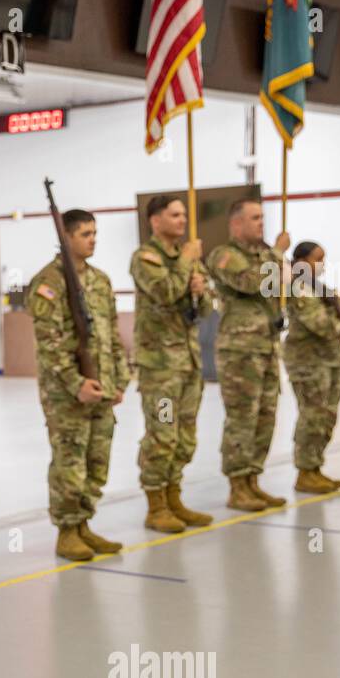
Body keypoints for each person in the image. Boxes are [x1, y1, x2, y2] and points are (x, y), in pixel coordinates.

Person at [27, 209, 131, 561]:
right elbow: (50, 344)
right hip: (66, 394)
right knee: (70, 461)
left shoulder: (100, 280)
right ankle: (67, 531)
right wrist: (76, 384)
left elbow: (112, 336)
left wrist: (119, 380)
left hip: (101, 387)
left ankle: (85, 524)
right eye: (85, 233)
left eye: (94, 233)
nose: (93, 239)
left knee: (97, 461)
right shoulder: (48, 283)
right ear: (66, 237)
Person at [130, 195, 214, 533]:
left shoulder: (189, 259)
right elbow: (164, 292)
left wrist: (200, 290)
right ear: (155, 221)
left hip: (189, 364)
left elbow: (206, 311)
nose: (182, 221)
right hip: (161, 368)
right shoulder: (145, 258)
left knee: (185, 437)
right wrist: (186, 264)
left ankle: (174, 497)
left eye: (184, 215)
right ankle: (156, 506)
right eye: (175, 215)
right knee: (162, 436)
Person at [206, 199, 289, 512]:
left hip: (267, 346)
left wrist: (277, 258)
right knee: (242, 418)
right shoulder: (224, 255)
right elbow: (252, 283)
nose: (261, 223)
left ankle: (253, 480)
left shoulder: (265, 254)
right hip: (240, 351)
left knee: (265, 417)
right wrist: (278, 255)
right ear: (236, 224)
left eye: (263, 218)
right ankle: (237, 485)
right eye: (255, 218)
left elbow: (282, 285)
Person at [283, 242, 340, 493]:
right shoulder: (296, 287)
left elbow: (334, 315)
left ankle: (315, 468)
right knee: (312, 416)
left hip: (329, 360)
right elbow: (321, 324)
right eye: (317, 259)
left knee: (326, 416)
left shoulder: (319, 288)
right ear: (300, 261)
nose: (322, 264)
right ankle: (304, 472)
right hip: (307, 362)